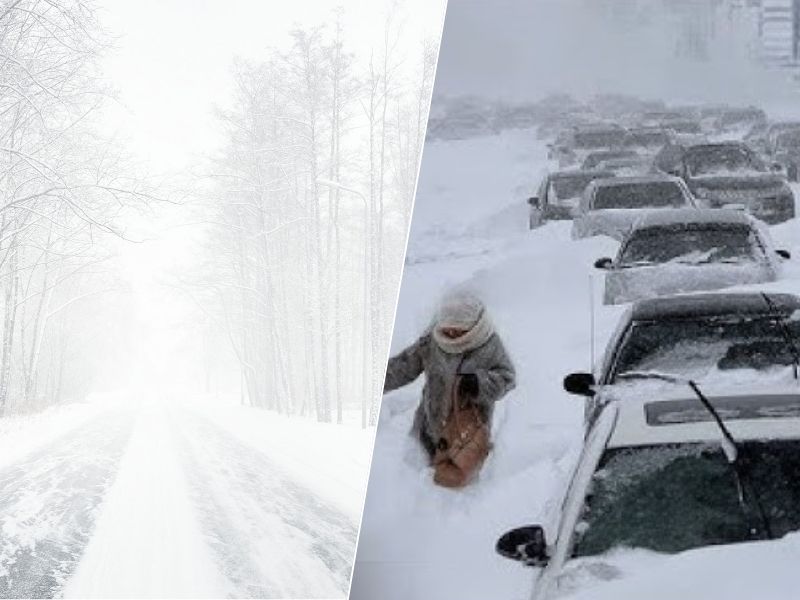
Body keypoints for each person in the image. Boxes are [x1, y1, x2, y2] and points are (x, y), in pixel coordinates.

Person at [383, 290, 516, 484]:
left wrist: (480, 384)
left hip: (465, 434)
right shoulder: (432, 341)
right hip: (427, 429)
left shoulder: (489, 345)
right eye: (448, 329)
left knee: (456, 484)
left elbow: (507, 377)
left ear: (474, 327)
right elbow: (404, 367)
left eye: (459, 330)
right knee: (416, 481)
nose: (452, 334)